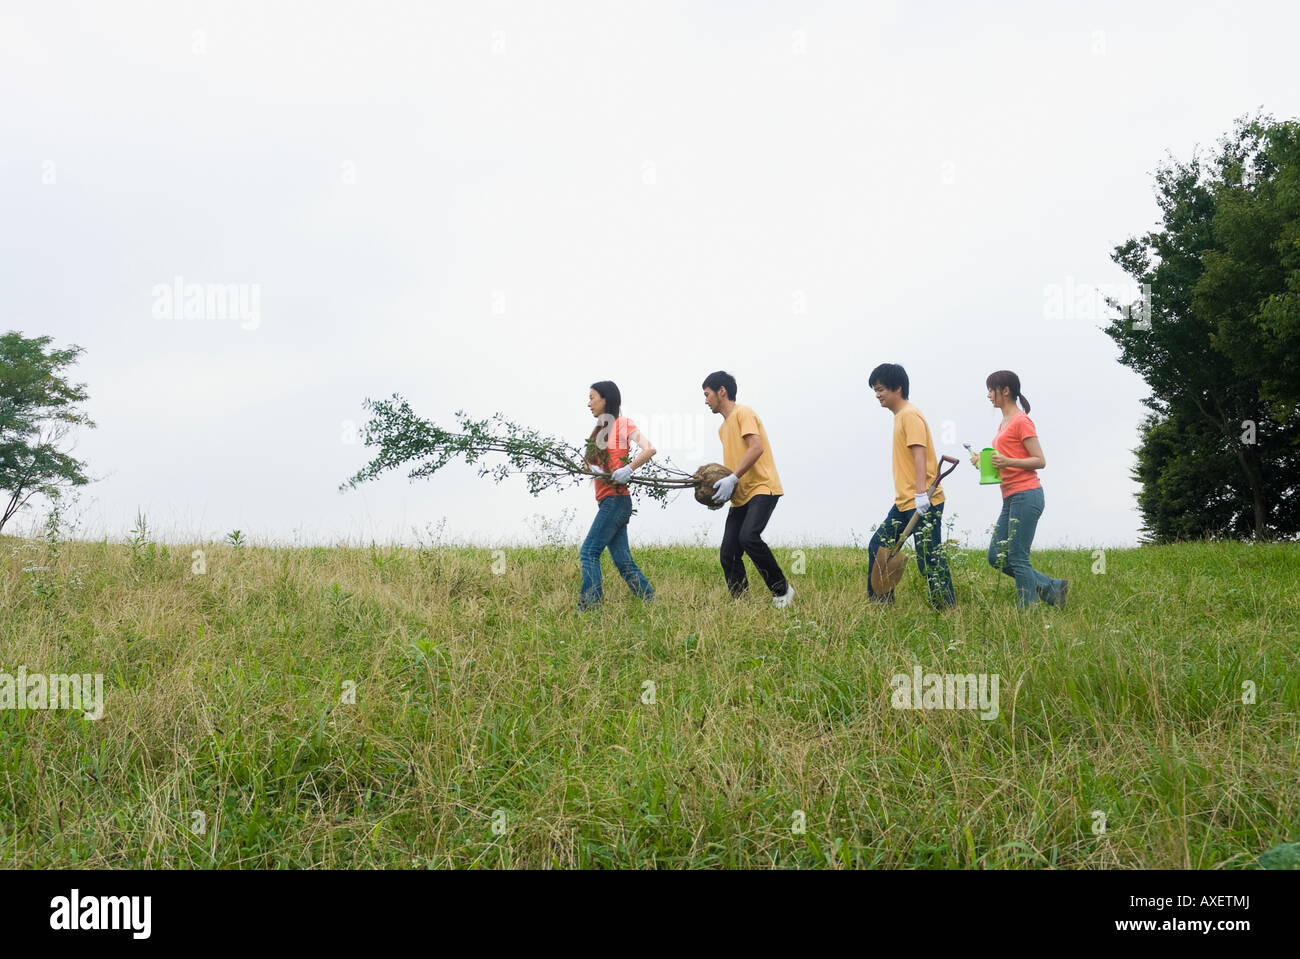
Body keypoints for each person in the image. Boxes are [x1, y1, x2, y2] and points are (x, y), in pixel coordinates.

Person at [971, 370, 1068, 609]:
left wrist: (1007, 461)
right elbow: (1005, 461)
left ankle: (1027, 610)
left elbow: (1040, 461)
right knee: (996, 556)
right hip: (1010, 497)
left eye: (991, 389)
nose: (988, 395)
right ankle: (1051, 587)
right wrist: (983, 462)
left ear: (1005, 390)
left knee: (1017, 556)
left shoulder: (1021, 421)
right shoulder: (1003, 423)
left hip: (1027, 494)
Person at [866, 363, 956, 608]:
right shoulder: (900, 416)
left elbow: (919, 454)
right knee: (878, 546)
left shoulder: (909, 415)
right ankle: (881, 605)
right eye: (875, 390)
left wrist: (920, 494)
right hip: (905, 502)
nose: (877, 395)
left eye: (881, 389)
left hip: (924, 500)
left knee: (929, 559)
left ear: (898, 388)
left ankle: (947, 608)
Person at [702, 371, 795, 609]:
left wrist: (733, 478)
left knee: (748, 537)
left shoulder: (744, 413)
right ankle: (741, 604)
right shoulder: (722, 429)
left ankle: (782, 590)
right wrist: (719, 490)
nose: (706, 400)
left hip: (763, 487)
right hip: (740, 496)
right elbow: (734, 460)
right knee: (728, 553)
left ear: (722, 391)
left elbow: (756, 447)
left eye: (707, 394)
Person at [578, 380, 656, 611]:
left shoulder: (623, 424)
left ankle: (589, 607)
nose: (589, 403)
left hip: (616, 500)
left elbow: (649, 448)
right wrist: (593, 469)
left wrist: (628, 469)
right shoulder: (599, 431)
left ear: (606, 399)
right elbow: (585, 463)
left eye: (592, 397)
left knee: (588, 553)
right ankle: (650, 602)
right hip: (609, 501)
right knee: (623, 562)